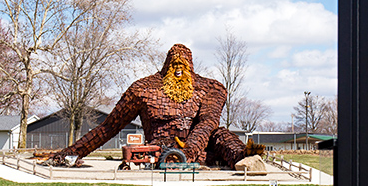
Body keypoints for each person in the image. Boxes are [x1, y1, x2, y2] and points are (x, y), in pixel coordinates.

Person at [47, 43, 255, 167]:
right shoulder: (143, 89)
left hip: (201, 150)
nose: (178, 71)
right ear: (166, 65)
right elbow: (109, 127)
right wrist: (70, 153)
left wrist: (188, 151)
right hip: (160, 149)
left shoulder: (211, 88)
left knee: (222, 134)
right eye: (174, 65)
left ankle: (246, 159)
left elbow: (208, 122)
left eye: (182, 66)